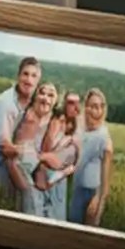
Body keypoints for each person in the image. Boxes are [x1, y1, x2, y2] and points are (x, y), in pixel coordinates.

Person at [0, 56, 41, 193]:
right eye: (25, 74)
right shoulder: (5, 104)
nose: (29, 80)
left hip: (16, 167)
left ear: (38, 81)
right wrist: (37, 154)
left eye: (34, 76)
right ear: (18, 76)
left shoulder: (31, 104)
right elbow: (6, 149)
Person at [7, 81, 57, 216]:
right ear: (35, 95)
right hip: (18, 163)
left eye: (51, 95)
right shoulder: (24, 114)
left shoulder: (53, 121)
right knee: (30, 200)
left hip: (36, 166)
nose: (45, 98)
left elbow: (46, 151)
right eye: (42, 93)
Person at [33, 90, 82, 220]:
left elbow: (78, 156)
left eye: (77, 103)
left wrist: (66, 170)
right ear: (65, 104)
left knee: (58, 216)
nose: (74, 106)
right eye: (70, 103)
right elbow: (48, 148)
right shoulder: (57, 120)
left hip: (61, 176)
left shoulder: (76, 124)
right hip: (48, 171)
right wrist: (68, 140)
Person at [70, 88, 114, 226]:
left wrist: (98, 200)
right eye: (91, 106)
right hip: (76, 190)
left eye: (98, 107)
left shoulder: (104, 138)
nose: (95, 111)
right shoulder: (80, 129)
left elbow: (106, 180)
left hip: (93, 193)